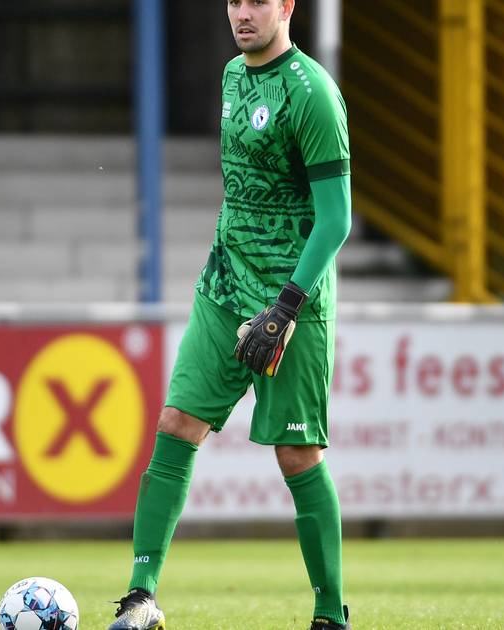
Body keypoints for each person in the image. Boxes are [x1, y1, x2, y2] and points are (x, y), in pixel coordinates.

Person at [108, 0, 351, 628]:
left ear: (287, 6)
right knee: (176, 424)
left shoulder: (313, 96)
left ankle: (330, 615)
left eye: (257, 1)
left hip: (291, 301)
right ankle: (141, 597)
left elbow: (336, 220)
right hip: (223, 286)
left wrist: (286, 307)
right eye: (235, 1)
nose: (242, 13)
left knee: (297, 455)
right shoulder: (232, 74)